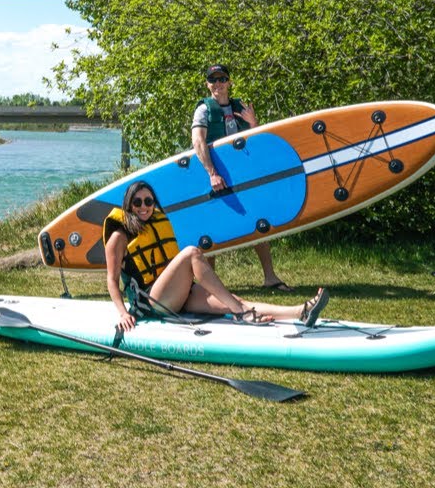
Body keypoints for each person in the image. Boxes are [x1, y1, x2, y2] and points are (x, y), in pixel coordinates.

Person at [104, 180, 328, 332]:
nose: (144, 207)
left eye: (149, 202)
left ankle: (300, 312)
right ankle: (241, 314)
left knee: (232, 300)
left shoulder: (155, 223)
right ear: (129, 204)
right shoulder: (119, 236)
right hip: (150, 302)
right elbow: (112, 281)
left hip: (173, 294)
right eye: (138, 202)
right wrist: (123, 314)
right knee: (192, 253)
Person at [191, 63, 291, 291]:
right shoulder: (204, 110)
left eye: (222, 79)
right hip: (215, 177)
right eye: (213, 80)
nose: (218, 84)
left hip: (243, 177)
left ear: (229, 82)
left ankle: (270, 278)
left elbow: (256, 142)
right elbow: (198, 141)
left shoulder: (241, 107)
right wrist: (212, 173)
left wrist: (253, 123)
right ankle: (209, 286)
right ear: (208, 84)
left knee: (258, 221)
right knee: (213, 228)